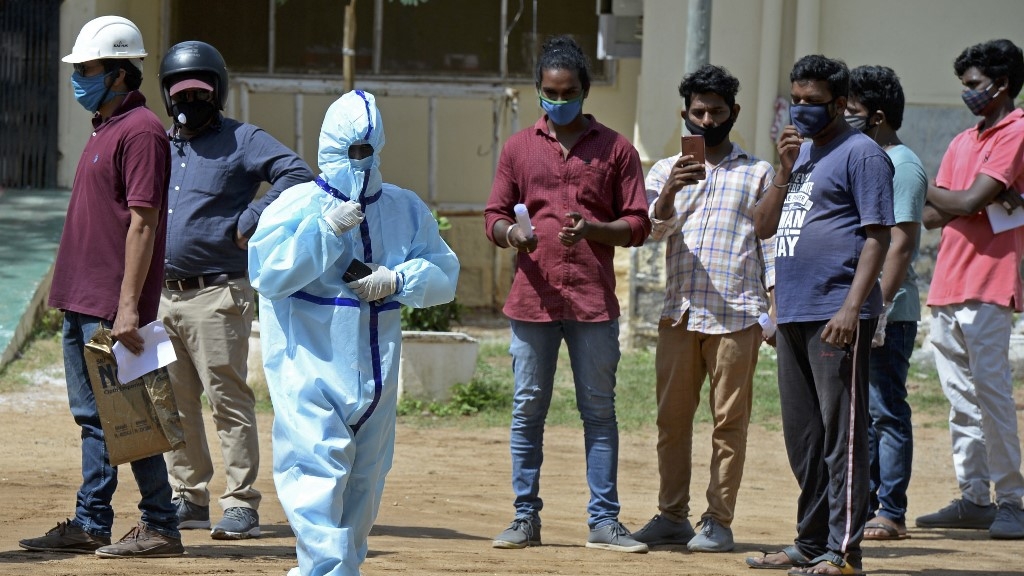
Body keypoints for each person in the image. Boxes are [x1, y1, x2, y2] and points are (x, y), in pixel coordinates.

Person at [248, 89, 459, 576]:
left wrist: (399, 279)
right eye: (351, 151)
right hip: (310, 373)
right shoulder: (295, 205)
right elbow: (267, 272)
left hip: (376, 382)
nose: (359, 163)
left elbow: (444, 273)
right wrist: (323, 230)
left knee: (365, 484)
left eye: (367, 151)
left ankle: (345, 568)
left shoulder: (404, 209)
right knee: (315, 477)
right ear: (328, 148)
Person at [18, 15, 183, 558]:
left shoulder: (141, 132)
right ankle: (93, 522)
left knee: (132, 417)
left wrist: (128, 308)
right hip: (82, 301)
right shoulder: (104, 129)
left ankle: (161, 524)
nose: (77, 79)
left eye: (86, 69)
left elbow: (143, 221)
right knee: (98, 418)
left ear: (118, 74)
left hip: (113, 307)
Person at [484, 35, 652, 554]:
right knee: (527, 408)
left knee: (599, 411)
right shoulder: (517, 148)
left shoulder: (617, 149)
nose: (559, 101)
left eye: (569, 92)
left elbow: (638, 223)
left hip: (591, 301)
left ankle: (604, 521)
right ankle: (523, 518)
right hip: (531, 299)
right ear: (538, 90)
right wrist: (514, 235)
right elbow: (494, 216)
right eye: (550, 93)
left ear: (586, 90)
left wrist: (595, 231)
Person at [156, 41, 313, 540]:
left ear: (217, 92)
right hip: (161, 296)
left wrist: (254, 215)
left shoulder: (244, 139)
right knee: (172, 403)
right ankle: (190, 498)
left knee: (228, 402)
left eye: (200, 92)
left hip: (218, 294)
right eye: (181, 93)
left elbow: (297, 174)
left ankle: (241, 502)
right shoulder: (161, 144)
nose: (189, 101)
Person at [746, 54, 894, 575]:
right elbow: (763, 226)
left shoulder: (863, 154)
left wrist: (853, 308)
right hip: (793, 313)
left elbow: (879, 235)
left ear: (839, 103)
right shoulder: (801, 155)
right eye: (797, 101)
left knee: (842, 437)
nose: (803, 110)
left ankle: (844, 552)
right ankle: (809, 543)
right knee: (804, 439)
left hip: (837, 313)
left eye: (814, 102)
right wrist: (784, 170)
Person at [632, 64, 774, 553]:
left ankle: (717, 520)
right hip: (680, 312)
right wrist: (671, 189)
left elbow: (768, 243)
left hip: (737, 314)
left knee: (727, 423)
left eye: (717, 111)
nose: (707, 119)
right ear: (685, 115)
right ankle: (672, 515)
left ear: (733, 113)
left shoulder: (758, 172)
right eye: (698, 111)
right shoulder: (663, 170)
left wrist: (773, 310)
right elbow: (654, 230)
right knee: (671, 421)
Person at [915, 38, 1024, 540]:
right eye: (965, 86)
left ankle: (1014, 500)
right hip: (947, 282)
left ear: (1002, 85)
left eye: (975, 85)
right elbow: (939, 213)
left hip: (990, 281)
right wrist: (960, 200)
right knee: (960, 399)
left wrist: (920, 183)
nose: (969, 94)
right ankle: (975, 497)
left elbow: (972, 196)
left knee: (992, 394)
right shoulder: (963, 141)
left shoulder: (1016, 131)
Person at [845, 65, 927, 542]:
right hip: (865, 308)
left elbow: (899, 244)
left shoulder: (903, 164)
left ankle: (891, 510)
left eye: (852, 111)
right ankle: (869, 501)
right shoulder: (867, 158)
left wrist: (878, 309)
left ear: (876, 117)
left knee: (887, 410)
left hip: (889, 315)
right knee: (866, 414)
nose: (845, 117)